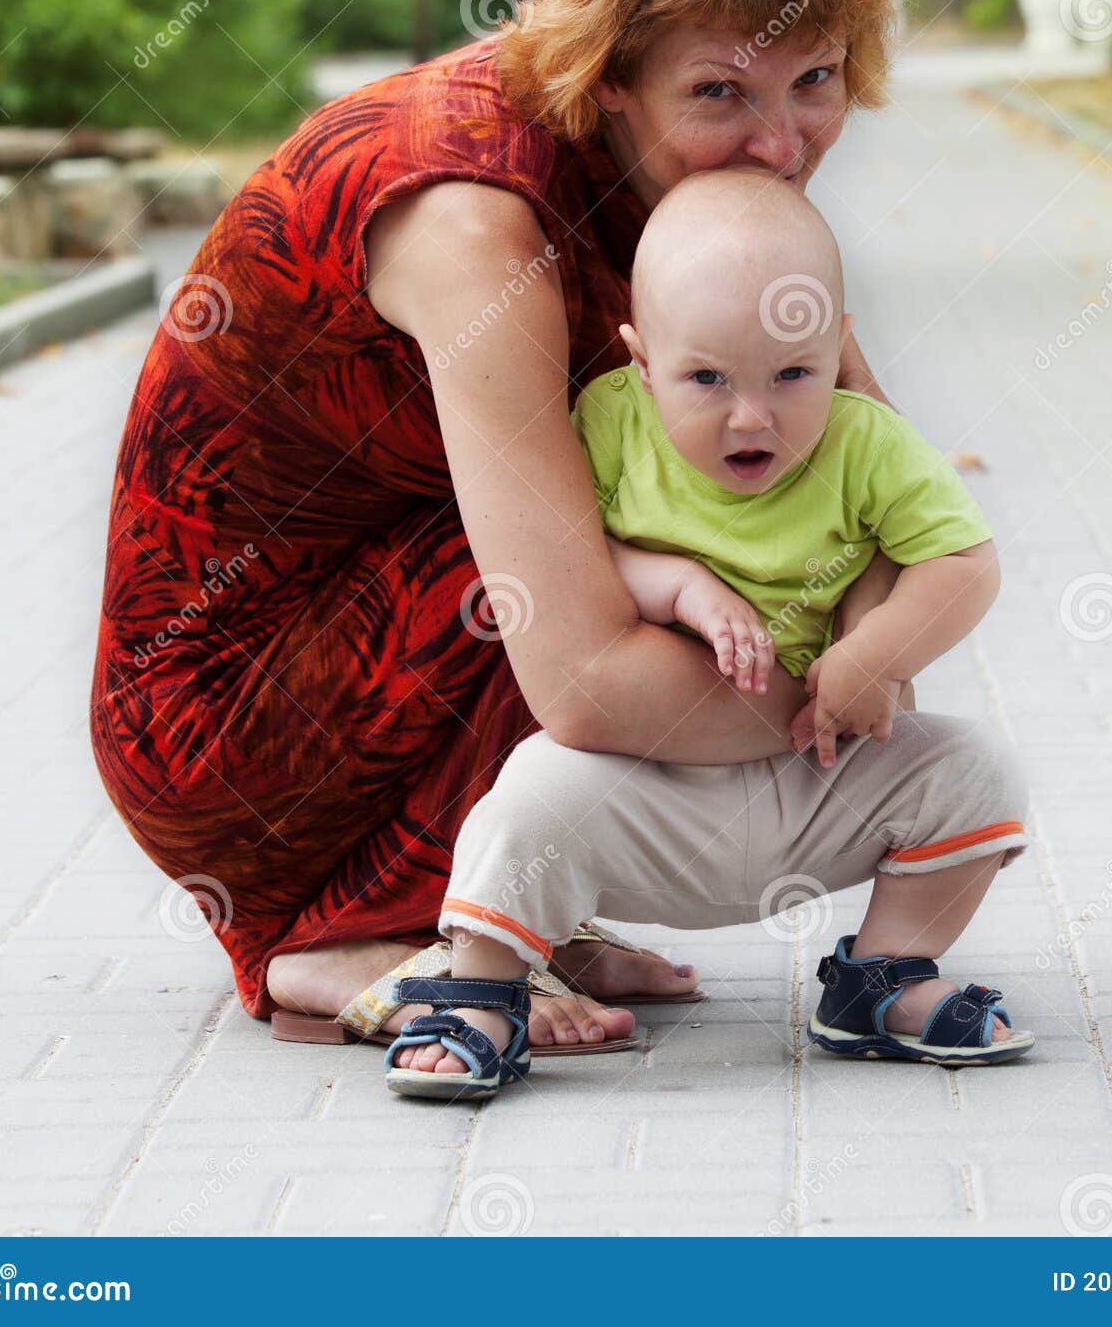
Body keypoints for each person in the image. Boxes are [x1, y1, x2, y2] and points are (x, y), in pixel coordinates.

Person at [88, 0, 917, 1058]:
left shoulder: (704, 202)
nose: (781, 142)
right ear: (612, 74)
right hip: (227, 716)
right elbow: (581, 679)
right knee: (592, 573)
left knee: (716, 489)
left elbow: (868, 480)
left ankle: (496, 908)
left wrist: (881, 625)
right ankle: (335, 937)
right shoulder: (475, 223)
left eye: (815, 79)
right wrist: (836, 694)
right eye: (718, 93)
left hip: (377, 626)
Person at [384, 169, 1031, 1100]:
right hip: (647, 783)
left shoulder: (866, 442)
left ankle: (884, 978)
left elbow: (965, 565)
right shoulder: (613, 421)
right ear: (642, 364)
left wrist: (870, 657)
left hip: (818, 762)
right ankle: (484, 987)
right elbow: (581, 557)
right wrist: (680, 584)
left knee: (978, 771)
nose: (752, 415)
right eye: (707, 378)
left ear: (839, 351)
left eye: (793, 375)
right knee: (527, 793)